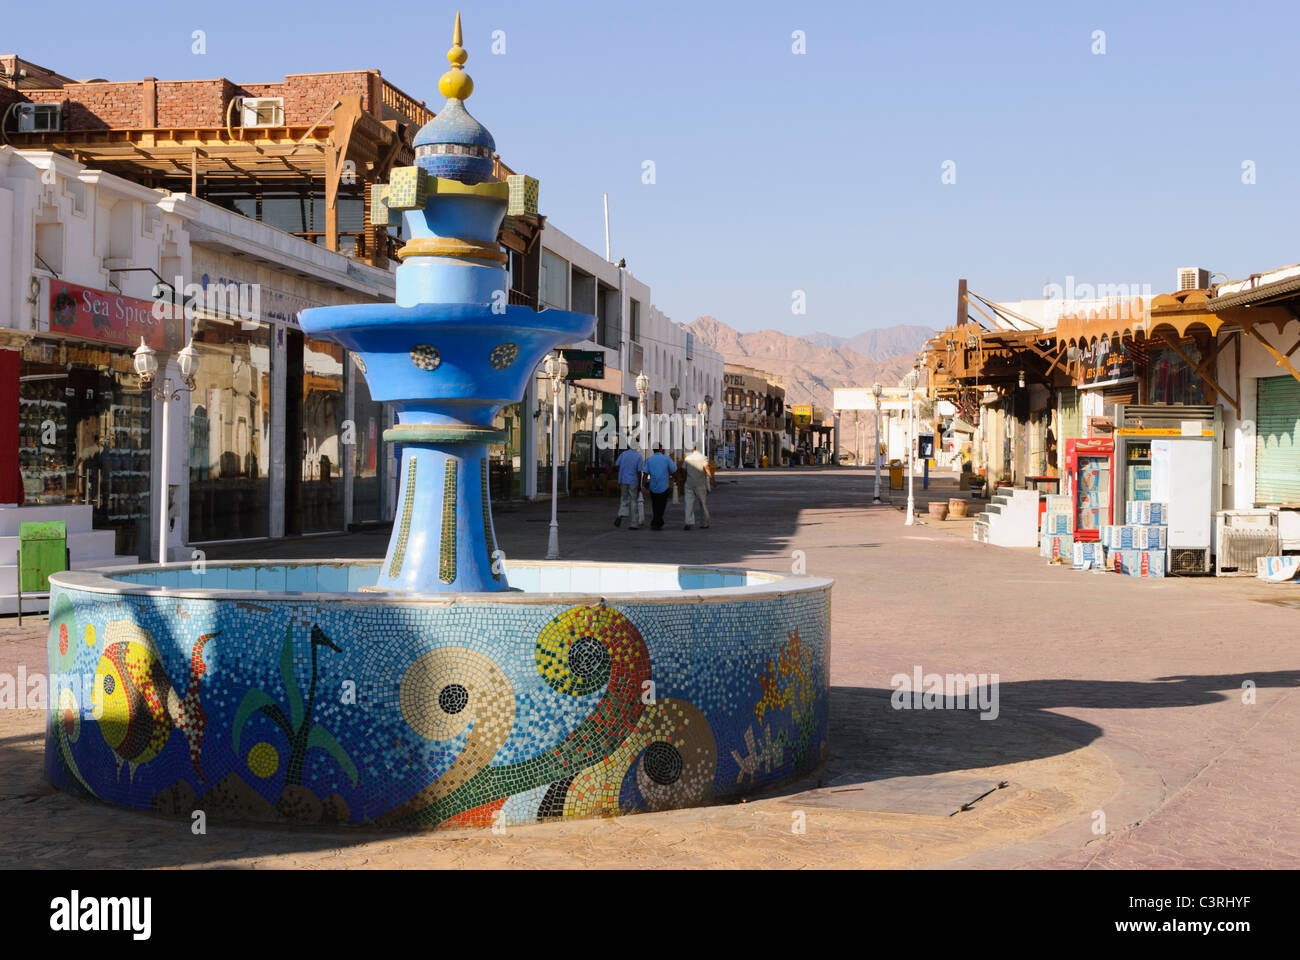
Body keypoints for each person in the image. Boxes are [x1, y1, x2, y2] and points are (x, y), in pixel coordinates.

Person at [642, 444, 675, 530]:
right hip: (663, 486)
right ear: (660, 449)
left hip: (653, 486)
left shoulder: (649, 460)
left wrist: (643, 486)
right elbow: (674, 470)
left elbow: (645, 474)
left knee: (655, 504)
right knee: (662, 505)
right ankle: (657, 521)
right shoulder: (666, 458)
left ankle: (656, 521)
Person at [613, 444, 643, 529]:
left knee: (624, 498)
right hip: (633, 481)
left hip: (623, 480)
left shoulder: (623, 454)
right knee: (633, 500)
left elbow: (617, 464)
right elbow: (639, 471)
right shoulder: (638, 456)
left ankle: (620, 514)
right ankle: (633, 524)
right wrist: (639, 485)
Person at [682, 444, 711, 530]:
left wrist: (685, 479)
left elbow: (683, 470)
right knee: (703, 503)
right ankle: (704, 522)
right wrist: (712, 479)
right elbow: (707, 468)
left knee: (688, 503)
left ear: (693, 449)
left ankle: (688, 522)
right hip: (700, 484)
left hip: (689, 483)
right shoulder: (703, 458)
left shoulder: (688, 458)